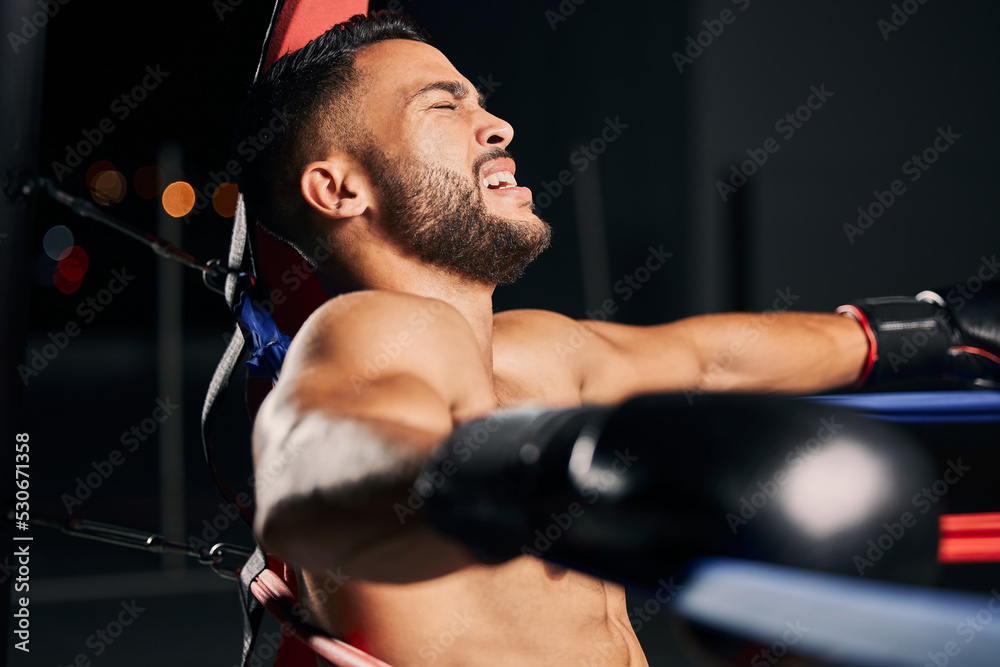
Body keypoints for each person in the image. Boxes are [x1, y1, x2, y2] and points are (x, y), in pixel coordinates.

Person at [238, 11, 999, 666]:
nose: (498, 126)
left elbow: (709, 358)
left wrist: (937, 329)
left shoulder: (537, 350)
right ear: (339, 188)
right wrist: (546, 473)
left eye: (480, 102)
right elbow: (310, 464)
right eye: (443, 105)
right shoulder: (368, 328)